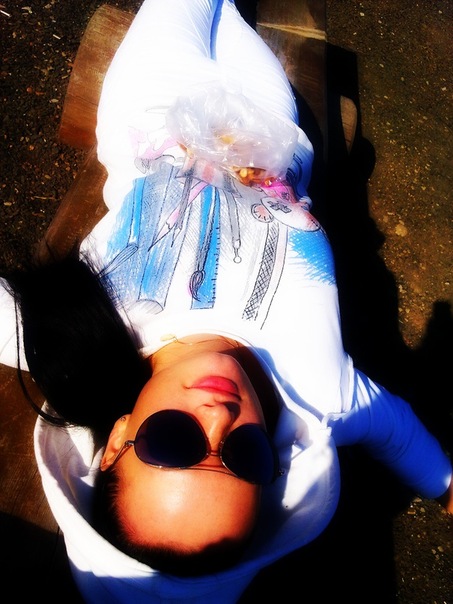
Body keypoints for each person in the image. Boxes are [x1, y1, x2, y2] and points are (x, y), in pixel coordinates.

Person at [0, 0, 451, 601]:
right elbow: (394, 433)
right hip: (270, 127)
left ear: (116, 442)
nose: (218, 417)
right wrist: (447, 487)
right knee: (230, 10)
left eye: (173, 442)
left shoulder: (71, 339)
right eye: (244, 456)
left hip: (155, 99)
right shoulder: (319, 395)